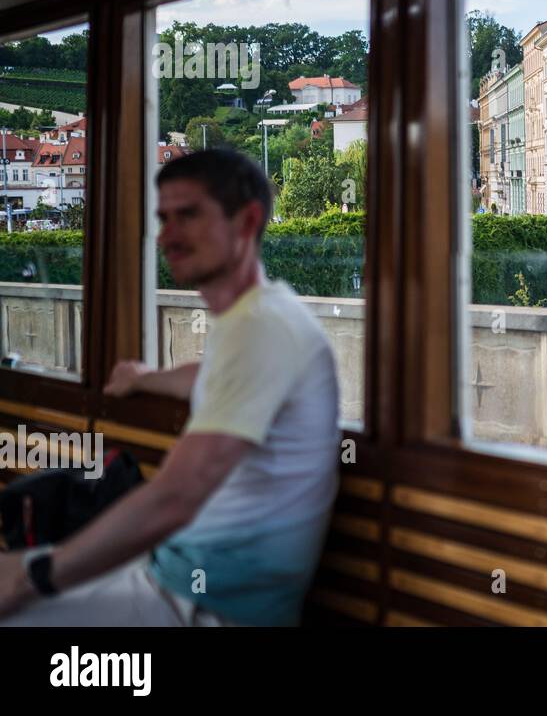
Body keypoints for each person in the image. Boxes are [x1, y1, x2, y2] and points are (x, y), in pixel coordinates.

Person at [0, 149, 340, 626]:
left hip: (201, 607)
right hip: (172, 580)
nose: (168, 237)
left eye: (189, 216)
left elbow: (176, 496)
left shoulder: (263, 330)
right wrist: (145, 378)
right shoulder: (255, 320)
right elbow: (215, 377)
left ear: (247, 221)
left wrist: (32, 577)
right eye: (163, 219)